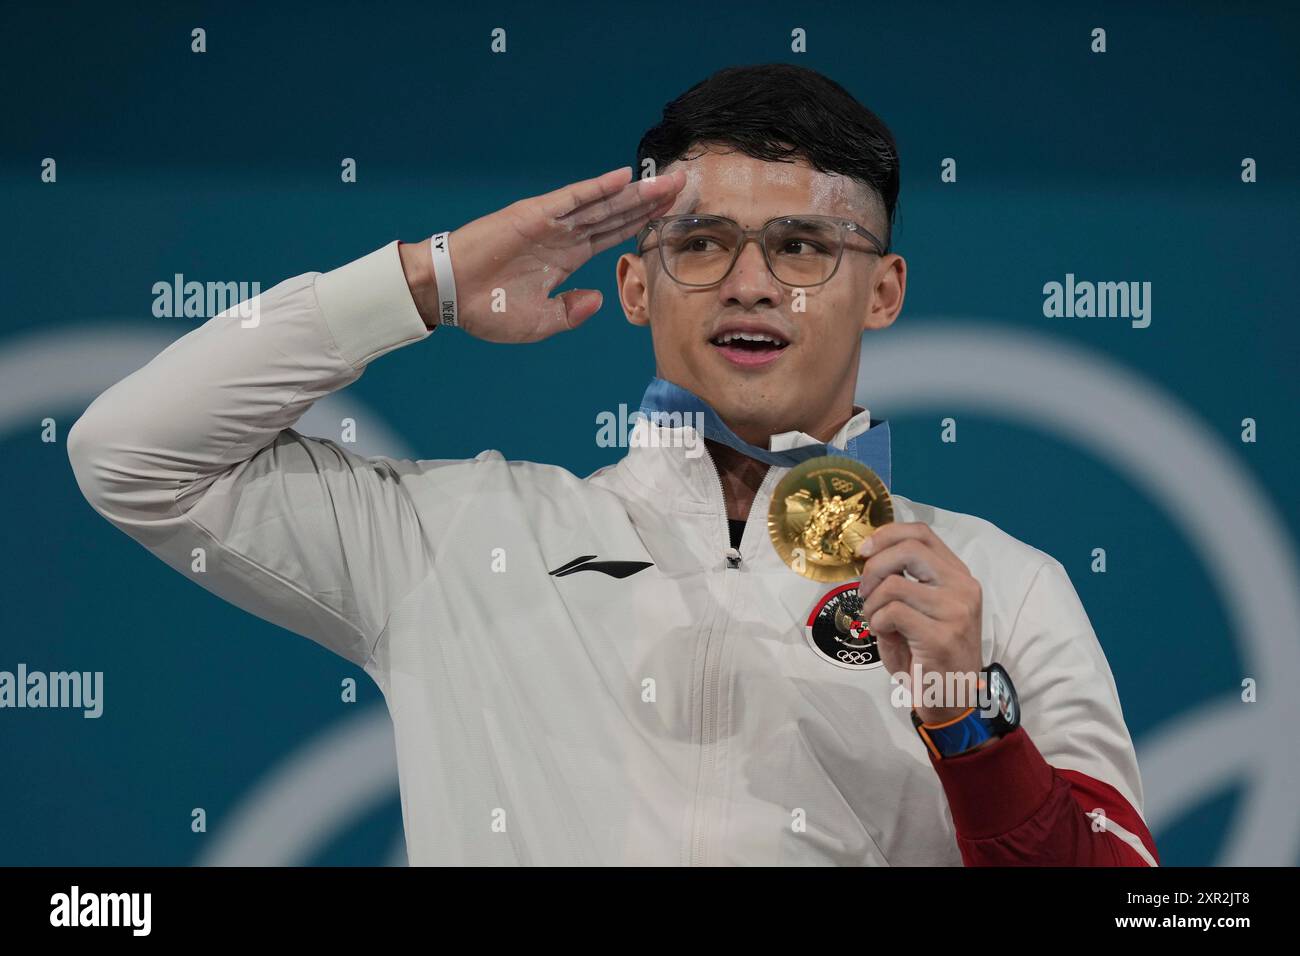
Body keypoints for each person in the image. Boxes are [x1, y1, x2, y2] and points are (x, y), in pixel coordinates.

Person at [67, 63, 1158, 866]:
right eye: (699, 243)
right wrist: (425, 282)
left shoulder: (994, 587)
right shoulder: (463, 535)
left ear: (883, 290)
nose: (748, 282)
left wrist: (968, 722)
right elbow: (131, 453)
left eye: (802, 247)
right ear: (637, 288)